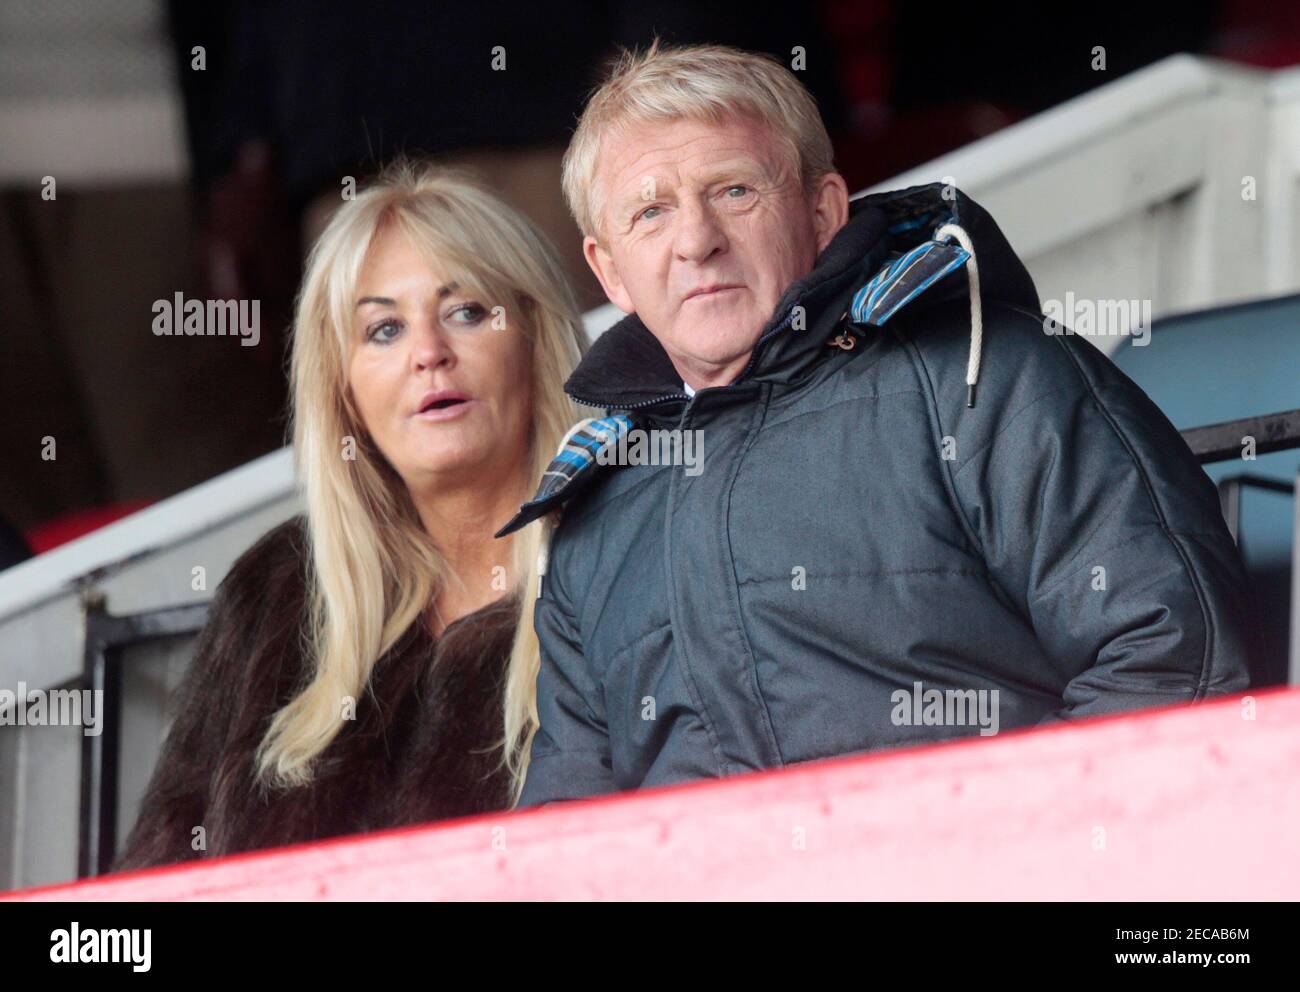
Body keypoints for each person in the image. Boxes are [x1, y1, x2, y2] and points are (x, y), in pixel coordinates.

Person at [498, 42, 1257, 806]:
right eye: (651, 211)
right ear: (610, 271)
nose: (697, 241)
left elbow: (1170, 659)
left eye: (732, 190)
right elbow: (571, 826)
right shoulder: (594, 524)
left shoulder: (984, 379)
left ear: (822, 211)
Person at [115, 162, 589, 868]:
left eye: (466, 312)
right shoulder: (275, 591)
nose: (429, 354)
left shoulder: (624, 557)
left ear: (534, 339)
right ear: (344, 393)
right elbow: (156, 884)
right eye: (384, 330)